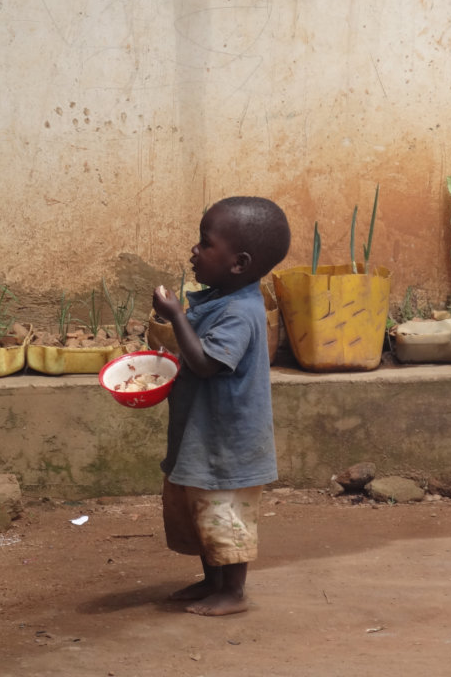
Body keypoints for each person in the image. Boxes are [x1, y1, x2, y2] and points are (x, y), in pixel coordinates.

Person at [151, 196, 291, 616]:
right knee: (201, 513)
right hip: (205, 436)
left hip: (229, 445)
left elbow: (207, 364)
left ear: (238, 263)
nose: (194, 251)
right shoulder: (220, 298)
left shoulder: (241, 312)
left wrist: (176, 316)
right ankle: (212, 581)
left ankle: (233, 592)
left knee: (225, 516)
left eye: (204, 243)